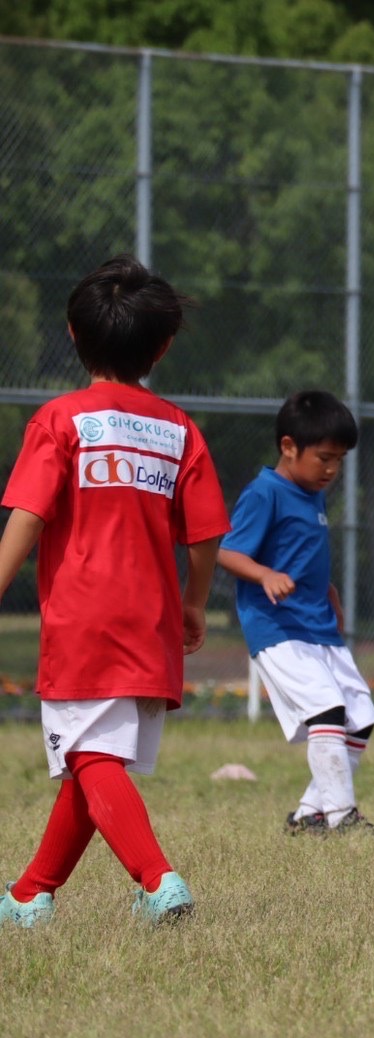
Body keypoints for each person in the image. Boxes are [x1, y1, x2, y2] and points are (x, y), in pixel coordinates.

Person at [0, 255, 230, 926]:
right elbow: (207, 533)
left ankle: (160, 881)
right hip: (153, 622)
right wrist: (193, 602)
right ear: (161, 348)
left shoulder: (61, 420)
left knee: (90, 754)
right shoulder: (179, 429)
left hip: (83, 621)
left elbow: (29, 517)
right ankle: (28, 896)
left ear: (72, 334)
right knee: (90, 761)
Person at [217, 391, 374, 835]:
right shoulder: (265, 492)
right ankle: (342, 818)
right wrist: (265, 574)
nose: (332, 469)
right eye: (324, 458)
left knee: (360, 718)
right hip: (277, 627)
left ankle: (310, 814)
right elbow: (228, 552)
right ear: (288, 446)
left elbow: (304, 553)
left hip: (317, 625)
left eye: (340, 460)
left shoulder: (314, 493)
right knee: (327, 711)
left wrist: (327, 590)